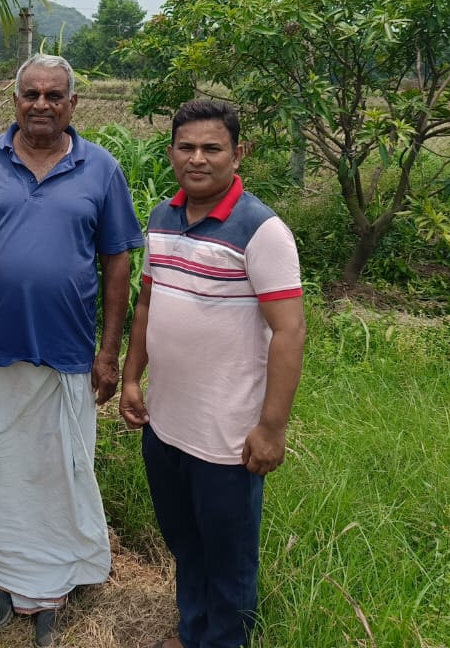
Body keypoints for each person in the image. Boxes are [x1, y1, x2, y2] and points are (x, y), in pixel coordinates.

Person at [0, 53, 143, 647]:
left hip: (70, 351)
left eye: (55, 95)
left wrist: (109, 351)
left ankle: (51, 584)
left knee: (59, 468)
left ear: (73, 103)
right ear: (16, 101)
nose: (42, 104)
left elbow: (118, 263)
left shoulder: (100, 169)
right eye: (31, 94)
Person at [118, 99, 307, 648]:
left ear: (237, 153)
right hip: (165, 424)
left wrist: (271, 428)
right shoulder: (161, 218)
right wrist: (131, 378)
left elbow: (290, 332)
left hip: (227, 439)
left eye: (212, 148)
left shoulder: (261, 230)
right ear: (171, 151)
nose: (197, 158)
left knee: (228, 561)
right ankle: (191, 632)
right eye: (186, 147)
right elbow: (147, 303)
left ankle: (222, 639)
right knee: (186, 545)